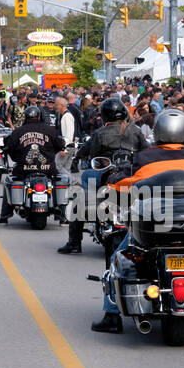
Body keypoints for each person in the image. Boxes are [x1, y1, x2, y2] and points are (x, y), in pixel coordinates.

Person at [90, 109, 184, 335]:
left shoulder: (145, 158)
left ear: (158, 132)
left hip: (157, 226)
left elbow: (121, 182)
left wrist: (113, 182)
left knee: (118, 256)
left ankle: (112, 315)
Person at [59, 97, 145, 253]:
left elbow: (92, 155)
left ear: (105, 115)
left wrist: (79, 156)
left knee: (82, 189)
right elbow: (146, 152)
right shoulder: (136, 131)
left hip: (109, 175)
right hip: (132, 176)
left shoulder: (100, 133)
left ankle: (74, 242)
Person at [0, 105, 66, 224]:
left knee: (9, 182)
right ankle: (63, 217)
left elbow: (10, 148)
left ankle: (5, 216)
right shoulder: (50, 130)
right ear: (39, 116)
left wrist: (16, 158)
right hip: (47, 169)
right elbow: (60, 146)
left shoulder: (18, 131)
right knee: (60, 182)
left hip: (24, 169)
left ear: (26, 117)